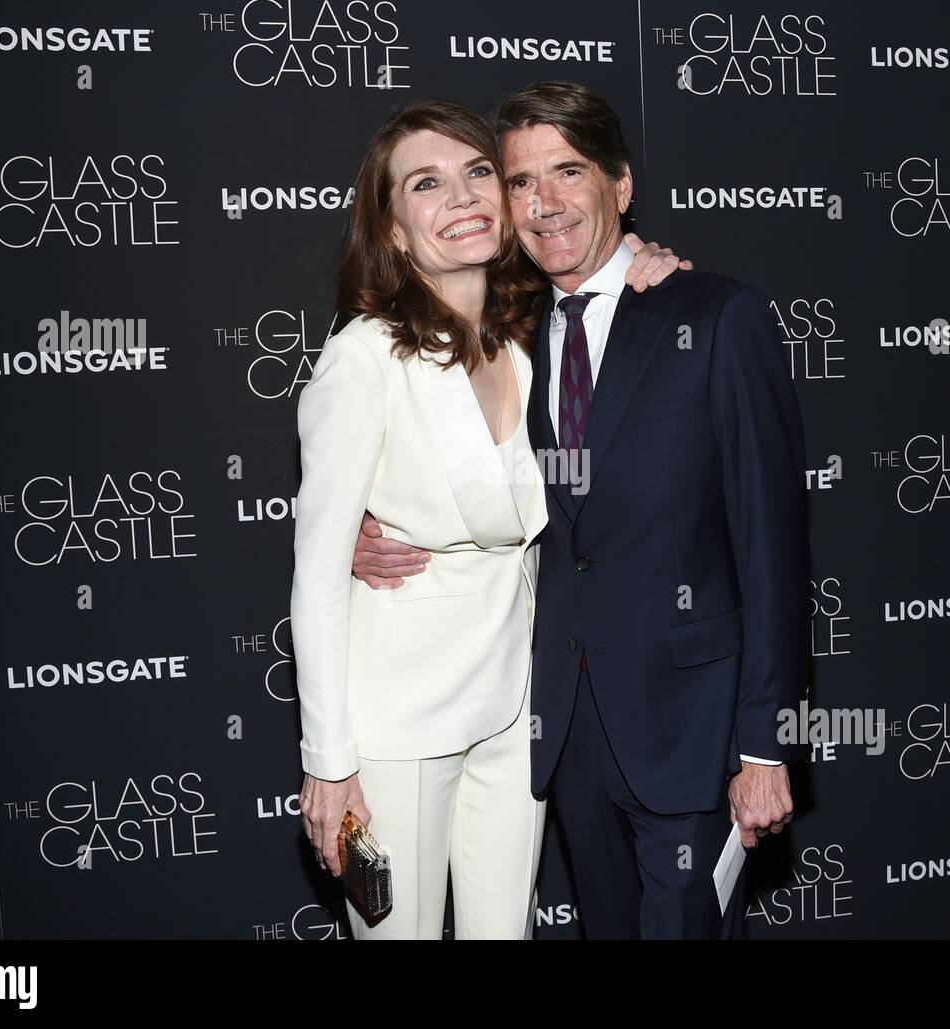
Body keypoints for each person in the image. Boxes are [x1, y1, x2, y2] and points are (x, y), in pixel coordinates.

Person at [353, 81, 812, 939]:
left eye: (569, 172)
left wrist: (767, 745)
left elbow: (774, 549)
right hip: (563, 735)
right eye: (521, 181)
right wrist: (356, 535)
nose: (545, 202)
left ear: (621, 186)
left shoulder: (715, 318)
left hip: (697, 732)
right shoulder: (506, 337)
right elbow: (430, 473)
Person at [290, 98, 686, 940]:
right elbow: (317, 581)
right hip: (396, 728)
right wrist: (330, 765)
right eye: (426, 184)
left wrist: (638, 258)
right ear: (394, 230)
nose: (462, 197)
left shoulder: (530, 340)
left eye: (478, 174)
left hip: (516, 712)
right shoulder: (364, 358)